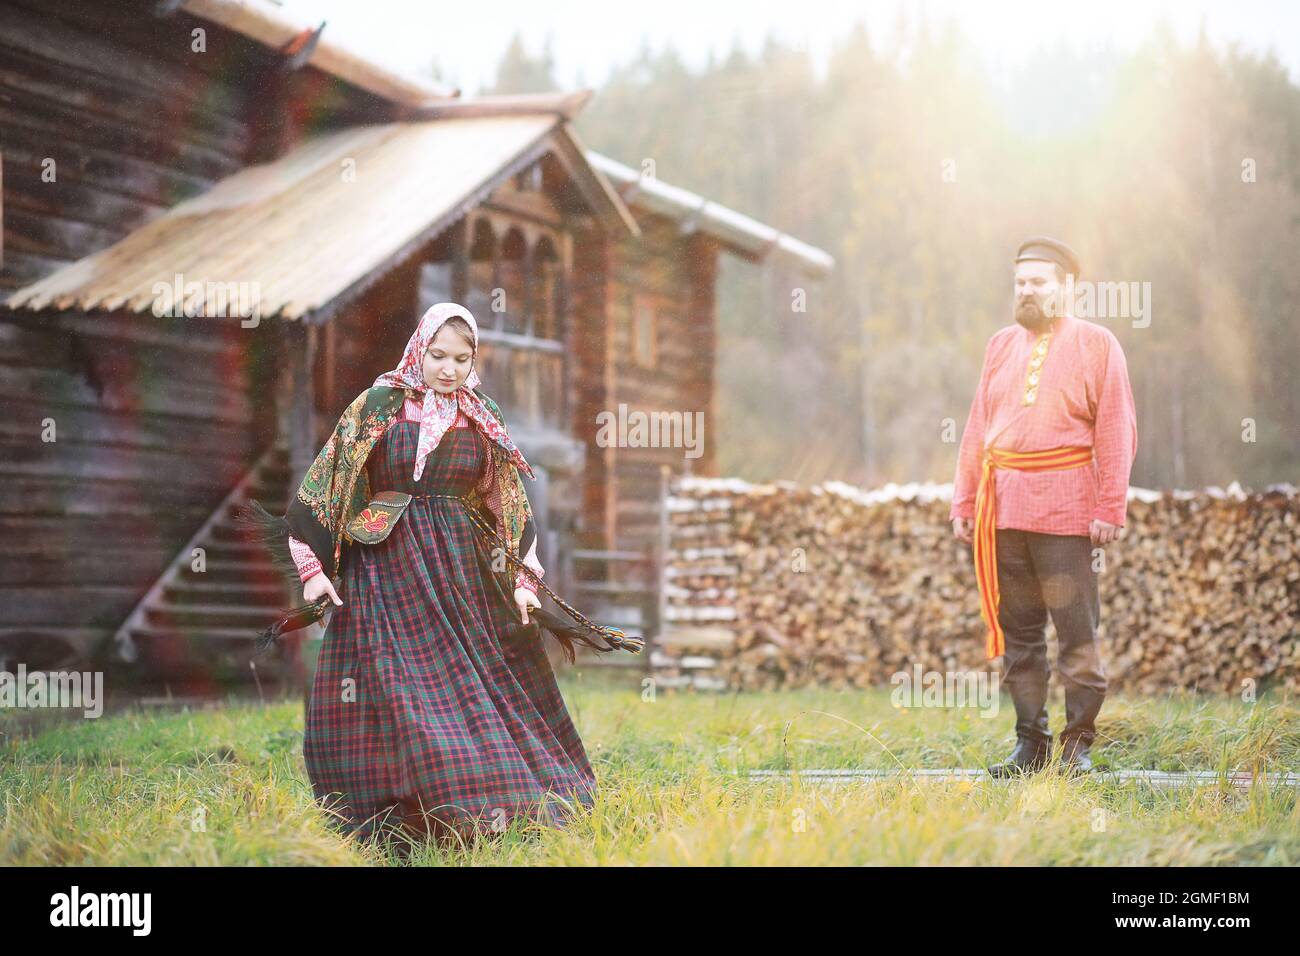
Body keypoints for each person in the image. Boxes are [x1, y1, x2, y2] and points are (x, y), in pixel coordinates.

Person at [265, 302, 597, 846]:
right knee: (394, 682)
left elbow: (508, 501)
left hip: (458, 572)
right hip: (384, 562)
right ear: (419, 348)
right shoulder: (379, 405)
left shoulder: (481, 415)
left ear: (474, 361)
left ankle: (467, 800)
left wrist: (523, 581)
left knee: (462, 685)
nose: (449, 369)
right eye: (438, 355)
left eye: (462, 359)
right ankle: (394, 810)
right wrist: (312, 570)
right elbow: (328, 480)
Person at [950, 237, 1137, 777]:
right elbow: (977, 427)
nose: (1027, 291)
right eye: (1020, 283)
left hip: (1067, 511)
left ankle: (1077, 746)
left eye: (1038, 282)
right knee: (1021, 637)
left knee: (1077, 634)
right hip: (1003, 511)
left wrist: (1110, 505)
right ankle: (1030, 745)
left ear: (1066, 287)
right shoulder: (1000, 345)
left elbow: (1116, 428)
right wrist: (964, 497)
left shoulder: (1099, 344)